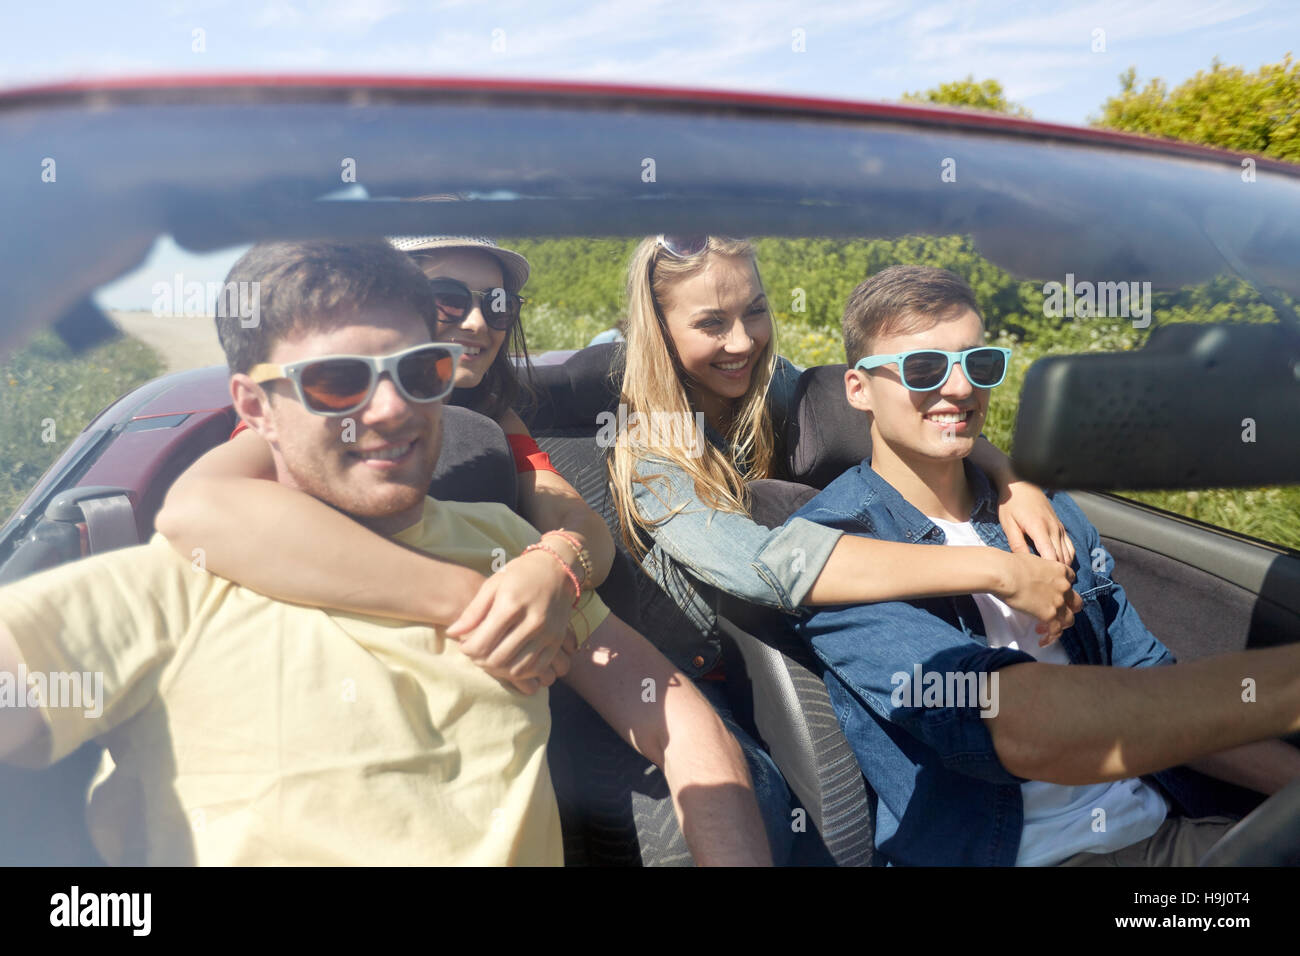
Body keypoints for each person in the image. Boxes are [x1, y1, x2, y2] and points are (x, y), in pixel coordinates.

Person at [0, 239, 771, 866]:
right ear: (253, 406)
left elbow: (672, 712)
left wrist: (555, 563)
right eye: (336, 382)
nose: (393, 408)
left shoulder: (498, 527)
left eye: (420, 370)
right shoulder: (176, 579)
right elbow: (198, 511)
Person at [791, 264, 1300, 866]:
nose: (958, 389)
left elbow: (1151, 688)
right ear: (858, 389)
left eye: (977, 364)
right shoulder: (842, 551)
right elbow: (1019, 724)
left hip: (1163, 832)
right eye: (923, 369)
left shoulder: (1042, 514)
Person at [605, 235, 1084, 861]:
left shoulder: (765, 384)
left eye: (755, 309)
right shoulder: (649, 454)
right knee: (757, 815)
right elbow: (769, 569)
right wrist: (996, 570)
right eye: (711, 324)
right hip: (704, 675)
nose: (743, 341)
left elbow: (897, 409)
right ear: (660, 335)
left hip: (795, 645)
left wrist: (1008, 476)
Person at [156, 236, 612, 695]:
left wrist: (555, 569)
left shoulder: (492, 416)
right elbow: (196, 510)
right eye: (449, 301)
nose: (477, 323)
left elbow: (582, 525)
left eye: (497, 304)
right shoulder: (310, 416)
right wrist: (470, 600)